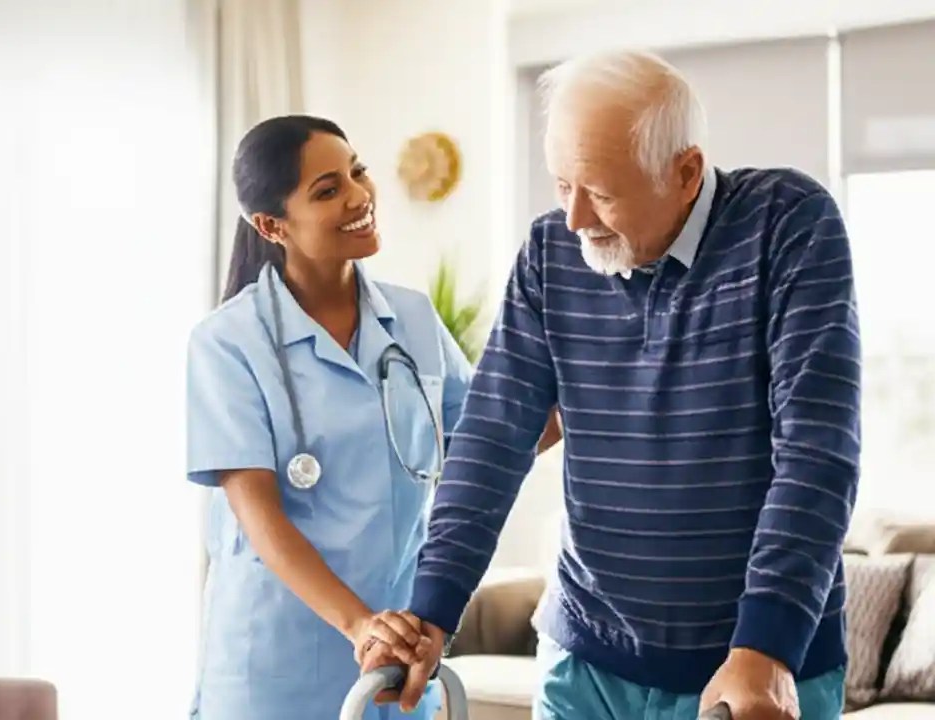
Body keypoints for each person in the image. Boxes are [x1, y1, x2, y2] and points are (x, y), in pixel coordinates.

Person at [362, 50, 860, 720]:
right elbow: (492, 439)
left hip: (749, 669)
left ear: (685, 173)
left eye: (599, 191)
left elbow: (817, 450)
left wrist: (767, 646)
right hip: (587, 662)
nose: (573, 219)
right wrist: (433, 611)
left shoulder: (788, 224)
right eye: (561, 184)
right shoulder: (551, 254)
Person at [185, 114, 562, 719]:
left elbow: (487, 443)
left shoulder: (411, 320)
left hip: (395, 657)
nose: (360, 196)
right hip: (278, 661)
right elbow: (259, 517)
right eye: (328, 190)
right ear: (272, 225)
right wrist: (360, 625)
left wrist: (593, 385)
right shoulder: (228, 342)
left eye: (356, 171)